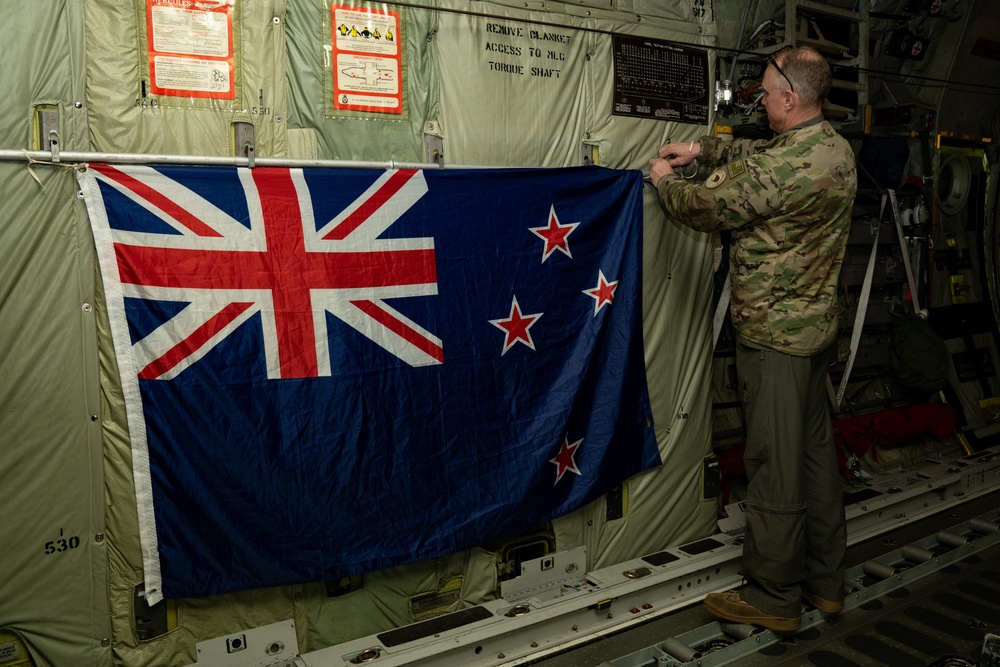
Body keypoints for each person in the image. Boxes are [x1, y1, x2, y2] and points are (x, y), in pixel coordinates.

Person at [647, 45, 857, 632]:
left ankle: (773, 596)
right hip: (813, 335)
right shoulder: (832, 148)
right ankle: (826, 583)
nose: (760, 103)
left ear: (790, 97)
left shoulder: (785, 168)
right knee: (814, 461)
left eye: (765, 95)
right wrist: (702, 149)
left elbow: (704, 206)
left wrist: (666, 180)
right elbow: (763, 155)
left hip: (773, 340)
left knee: (774, 468)